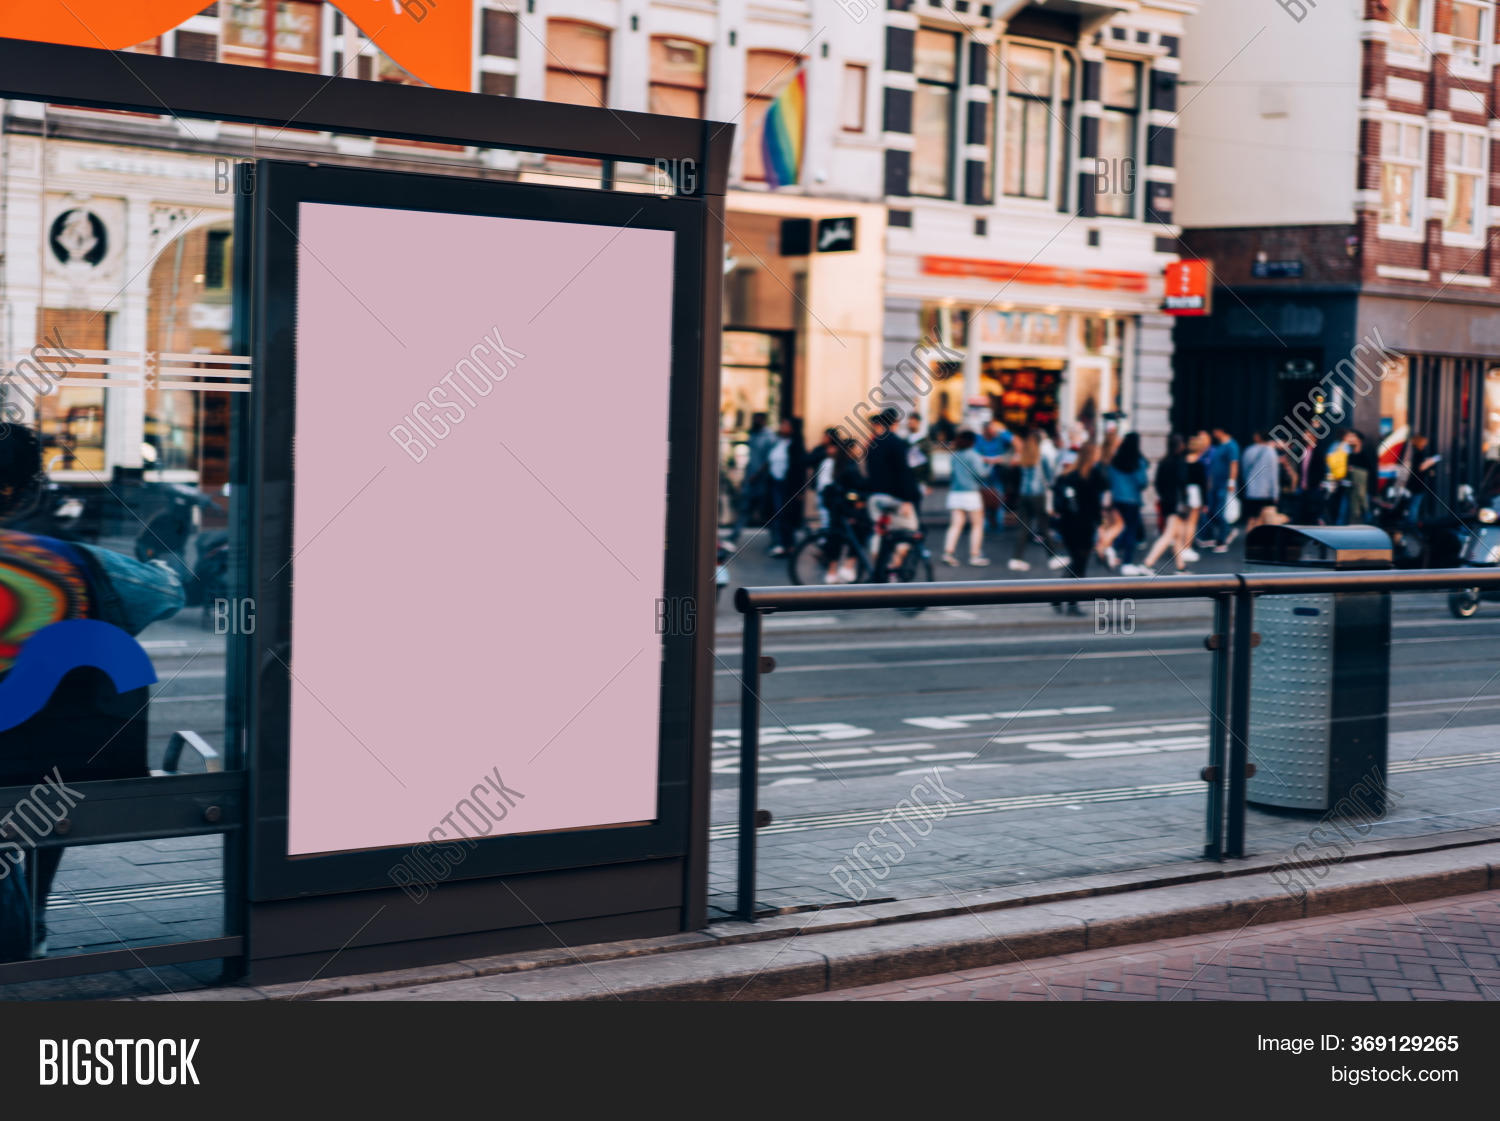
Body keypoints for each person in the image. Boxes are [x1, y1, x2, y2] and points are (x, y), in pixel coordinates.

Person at [0, 425, 184, 960]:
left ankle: (22, 926)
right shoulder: (70, 559)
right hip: (43, 759)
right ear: (20, 491)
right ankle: (28, 925)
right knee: (46, 778)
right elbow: (164, 594)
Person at [1051, 441, 1106, 615]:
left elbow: (1058, 503)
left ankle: (1059, 597)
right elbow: (1096, 503)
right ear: (1092, 455)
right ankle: (1070, 603)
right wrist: (1100, 524)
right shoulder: (1093, 474)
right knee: (1079, 565)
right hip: (1084, 526)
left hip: (1068, 525)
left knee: (1076, 562)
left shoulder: (1067, 475)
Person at [863, 409, 921, 570]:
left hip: (875, 496)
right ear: (895, 423)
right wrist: (908, 499)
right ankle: (894, 568)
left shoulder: (873, 444)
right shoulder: (897, 443)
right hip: (894, 497)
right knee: (909, 529)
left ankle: (877, 570)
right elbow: (904, 473)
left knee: (879, 532)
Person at [1141, 434, 1202, 574]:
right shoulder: (1179, 462)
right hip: (1176, 503)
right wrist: (1185, 501)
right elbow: (1182, 483)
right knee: (1169, 534)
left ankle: (1180, 566)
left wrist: (1165, 496)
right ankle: (1148, 563)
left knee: (1177, 535)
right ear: (1179, 446)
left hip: (1167, 502)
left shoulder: (1164, 461)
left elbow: (1158, 483)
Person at [816, 435, 867, 583]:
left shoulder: (837, 463)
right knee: (861, 531)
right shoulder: (850, 466)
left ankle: (832, 572)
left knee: (835, 539)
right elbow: (857, 486)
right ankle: (848, 566)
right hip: (848, 508)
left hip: (836, 508)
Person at [941, 430, 991, 567]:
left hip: (955, 493)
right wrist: (989, 465)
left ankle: (948, 553)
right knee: (977, 525)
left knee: (956, 525)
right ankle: (975, 555)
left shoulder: (954, 455)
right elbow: (982, 473)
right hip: (971, 494)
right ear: (972, 441)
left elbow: (952, 473)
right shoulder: (974, 455)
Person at [1009, 429, 1055, 572]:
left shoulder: (1022, 456)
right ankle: (1053, 558)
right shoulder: (1042, 456)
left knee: (1024, 528)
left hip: (1024, 494)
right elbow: (1050, 477)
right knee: (1044, 527)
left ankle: (1016, 558)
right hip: (1038, 495)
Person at [1105, 433, 1150, 572]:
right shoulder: (1137, 461)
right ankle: (1127, 562)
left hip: (1118, 499)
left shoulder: (1115, 460)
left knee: (1122, 526)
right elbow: (1142, 482)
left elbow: (1110, 478)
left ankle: (1113, 548)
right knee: (1131, 530)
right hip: (1132, 499)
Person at [765, 417, 807, 557]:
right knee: (776, 514)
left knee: (785, 515)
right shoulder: (778, 442)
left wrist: (800, 490)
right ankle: (780, 542)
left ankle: (786, 544)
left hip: (787, 485)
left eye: (785, 425)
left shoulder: (795, 445)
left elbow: (799, 468)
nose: (782, 427)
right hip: (775, 483)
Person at [734, 412, 776, 540]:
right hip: (751, 479)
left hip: (762, 480)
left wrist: (757, 475)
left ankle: (777, 539)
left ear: (763, 420)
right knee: (745, 507)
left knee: (767, 511)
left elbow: (769, 460)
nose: (755, 422)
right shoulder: (753, 434)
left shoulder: (769, 437)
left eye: (757, 419)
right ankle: (735, 534)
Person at [1203, 427, 1241, 551]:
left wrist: (1231, 481)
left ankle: (1222, 540)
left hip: (1224, 485)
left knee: (1220, 511)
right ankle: (1227, 531)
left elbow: (1234, 463)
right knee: (1212, 511)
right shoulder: (1220, 446)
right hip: (1215, 485)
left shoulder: (1231, 445)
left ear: (1220, 430)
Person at [975, 419, 1013, 531]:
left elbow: (1015, 442)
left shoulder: (1000, 437)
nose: (994, 432)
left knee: (999, 500)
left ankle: (999, 524)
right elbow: (975, 455)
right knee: (983, 501)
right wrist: (986, 459)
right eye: (992, 430)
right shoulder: (978, 439)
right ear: (985, 430)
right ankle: (985, 524)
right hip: (983, 476)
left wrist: (999, 459)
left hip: (997, 474)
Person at [1240, 430, 1281, 533]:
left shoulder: (1248, 451)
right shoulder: (1271, 452)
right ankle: (1260, 539)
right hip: (1266, 492)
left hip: (1251, 491)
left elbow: (1244, 471)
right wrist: (1275, 493)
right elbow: (1274, 474)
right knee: (1264, 519)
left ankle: (1249, 537)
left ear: (1257, 437)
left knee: (1251, 518)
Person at [1346, 428, 1376, 525]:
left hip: (1366, 489)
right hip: (1353, 489)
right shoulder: (1350, 455)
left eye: (1352, 436)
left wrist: (1372, 490)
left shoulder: (1366, 453)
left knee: (1367, 513)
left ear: (1359, 439)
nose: (1350, 439)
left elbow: (1372, 471)